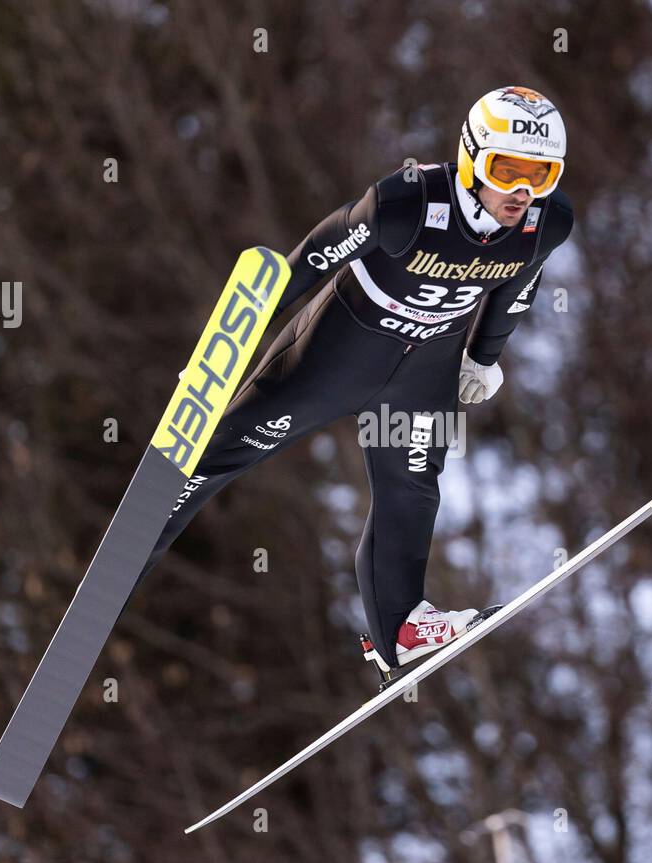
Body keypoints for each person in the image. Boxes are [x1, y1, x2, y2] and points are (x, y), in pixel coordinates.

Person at [139, 86, 575, 682]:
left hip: (424, 375)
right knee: (220, 453)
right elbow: (308, 261)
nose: (523, 191)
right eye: (509, 171)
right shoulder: (406, 204)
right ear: (473, 158)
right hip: (337, 359)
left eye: (541, 175)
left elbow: (515, 288)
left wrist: (484, 358)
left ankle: (399, 627)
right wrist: (233, 343)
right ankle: (132, 551)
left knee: (413, 487)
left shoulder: (545, 223)